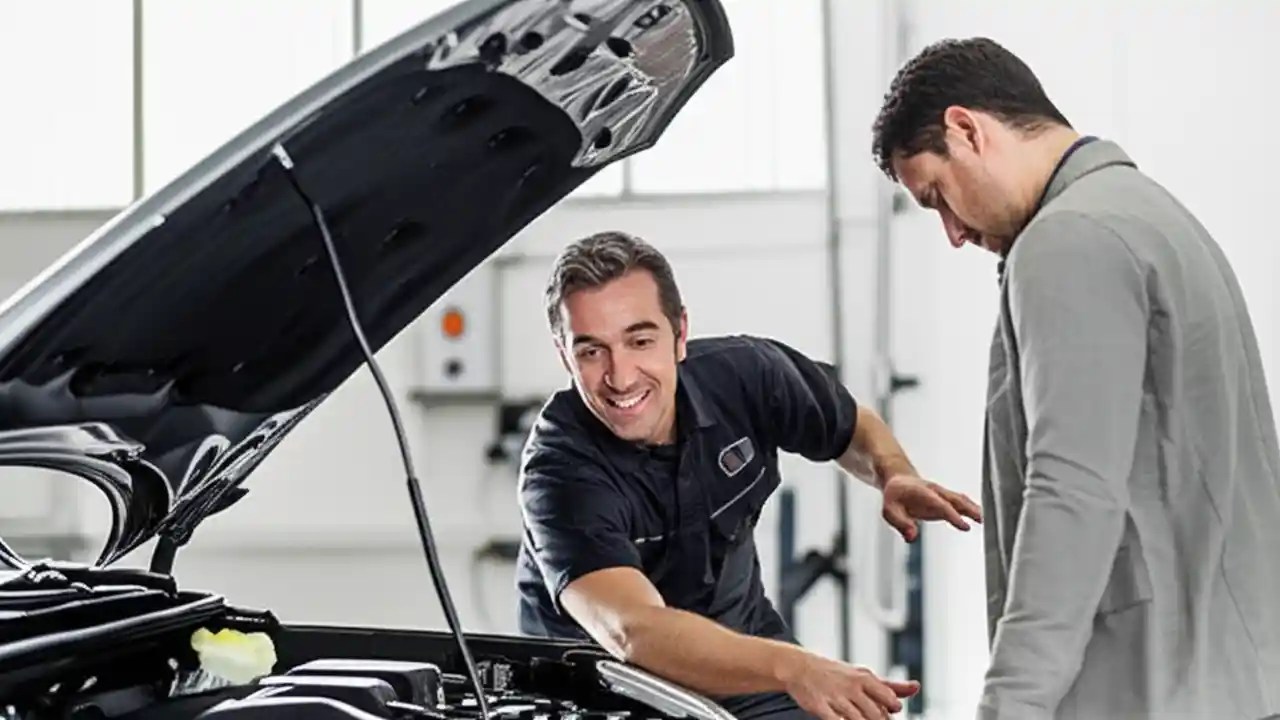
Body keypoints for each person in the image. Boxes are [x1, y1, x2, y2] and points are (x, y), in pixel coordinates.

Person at [871, 37, 1280, 720]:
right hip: (1235, 681)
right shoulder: (1147, 212)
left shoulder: (1067, 241)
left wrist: (1012, 703)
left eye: (937, 196)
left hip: (1160, 694)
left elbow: (1072, 490)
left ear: (966, 129)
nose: (951, 232)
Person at [514, 230, 982, 720]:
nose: (622, 376)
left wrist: (893, 473)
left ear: (680, 334)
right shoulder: (559, 470)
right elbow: (633, 630)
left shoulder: (744, 375)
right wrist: (795, 667)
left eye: (640, 340)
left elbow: (848, 425)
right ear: (565, 354)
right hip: (605, 691)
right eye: (592, 351)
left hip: (745, 660)